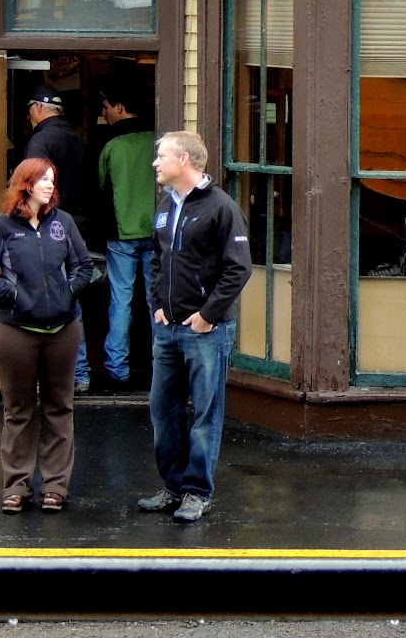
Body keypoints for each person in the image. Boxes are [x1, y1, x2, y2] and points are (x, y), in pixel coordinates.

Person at [0, 158, 93, 514]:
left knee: (59, 407)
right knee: (19, 410)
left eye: (53, 180)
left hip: (62, 331)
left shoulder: (63, 223)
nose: (50, 185)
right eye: (43, 180)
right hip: (15, 332)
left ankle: (55, 487)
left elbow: (85, 267)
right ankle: (16, 486)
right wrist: (13, 296)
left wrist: (67, 294)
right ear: (25, 184)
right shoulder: (2, 227)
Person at [139, 130, 251, 524]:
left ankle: (197, 493)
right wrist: (156, 305)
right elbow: (157, 257)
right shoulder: (166, 206)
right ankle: (173, 487)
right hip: (167, 330)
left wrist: (208, 314)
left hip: (205, 332)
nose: (156, 163)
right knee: (162, 411)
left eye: (162, 156)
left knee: (205, 414)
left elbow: (240, 268)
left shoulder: (222, 208)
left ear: (184, 160)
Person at [23, 85, 92, 391]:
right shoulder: (78, 139)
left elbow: (32, 186)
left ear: (38, 109)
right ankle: (80, 374)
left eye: (29, 111)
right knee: (70, 296)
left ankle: (64, 375)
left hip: (49, 228)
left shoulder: (40, 140)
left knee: (47, 299)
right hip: (79, 225)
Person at [96, 82, 155, 388]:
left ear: (119, 108)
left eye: (106, 108)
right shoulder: (157, 141)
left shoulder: (111, 146)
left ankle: (117, 369)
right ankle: (162, 365)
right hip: (155, 230)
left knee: (121, 299)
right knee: (154, 300)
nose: (103, 114)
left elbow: (102, 187)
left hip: (122, 232)